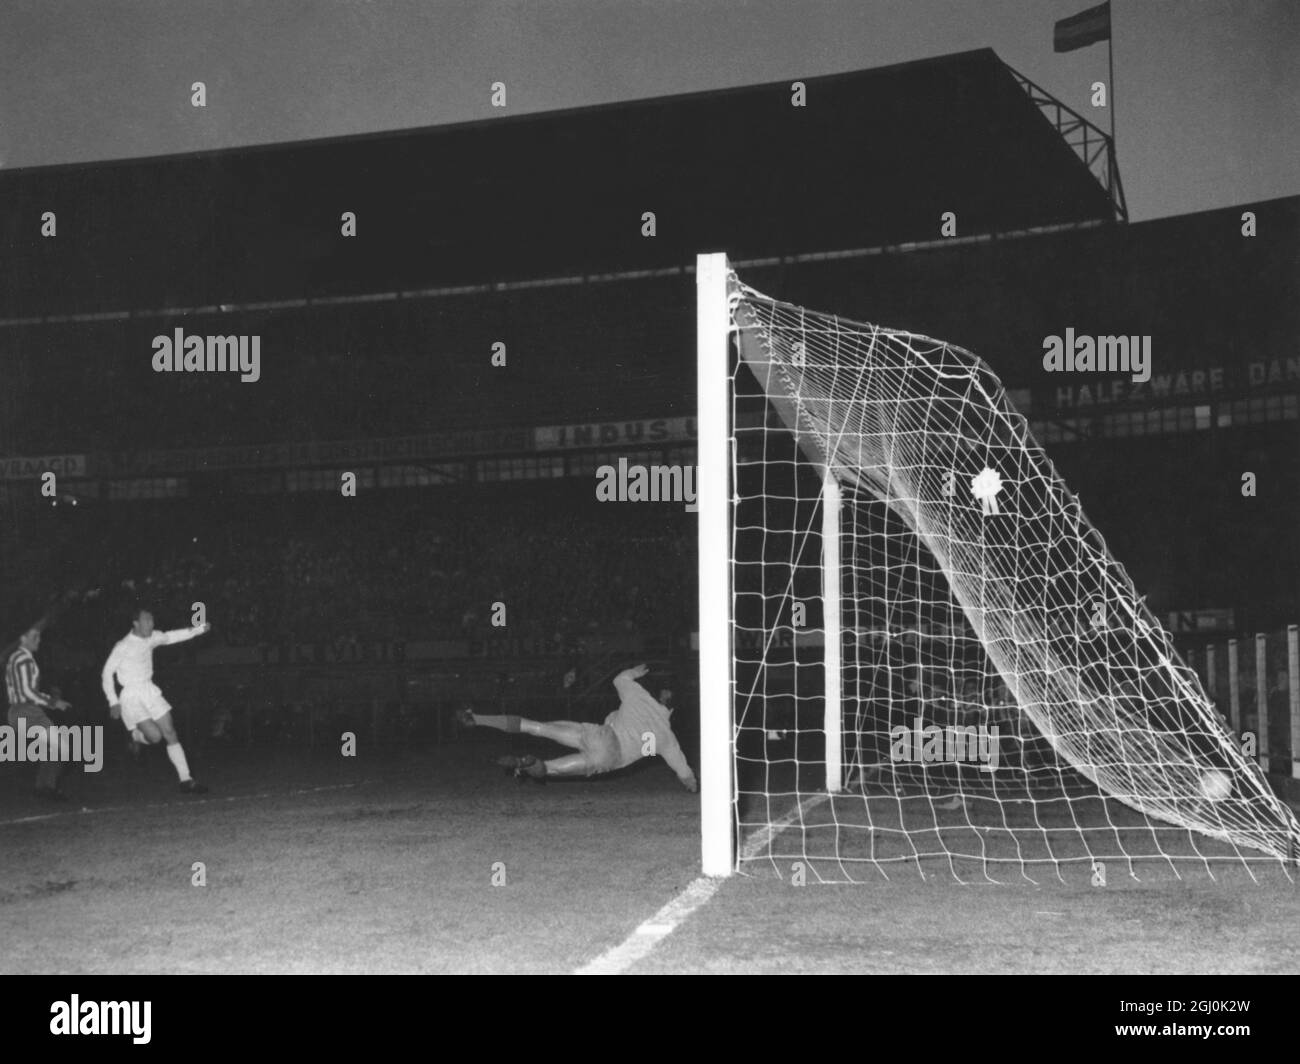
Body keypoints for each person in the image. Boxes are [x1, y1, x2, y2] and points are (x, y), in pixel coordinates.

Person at [458, 664, 697, 790]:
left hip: (600, 735)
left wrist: (635, 671)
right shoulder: (667, 737)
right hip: (611, 757)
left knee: (538, 727)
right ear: (673, 709)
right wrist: (692, 785)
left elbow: (619, 679)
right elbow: (684, 773)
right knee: (550, 770)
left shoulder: (639, 696)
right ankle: (526, 764)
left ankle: (476, 718)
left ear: (662, 694)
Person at [101, 608, 210, 794]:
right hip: (131, 696)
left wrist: (198, 629)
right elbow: (106, 673)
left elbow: (171, 636)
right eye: (147, 620)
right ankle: (135, 736)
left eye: (152, 620)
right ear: (136, 623)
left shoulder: (152, 637)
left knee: (170, 731)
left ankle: (186, 779)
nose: (151, 624)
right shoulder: (123, 646)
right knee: (155, 737)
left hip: (149, 690)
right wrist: (113, 701)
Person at [5, 625, 73, 801]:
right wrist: (53, 702)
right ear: (23, 638)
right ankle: (45, 789)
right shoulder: (23, 659)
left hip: (21, 711)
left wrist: (50, 699)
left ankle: (43, 789)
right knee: (61, 747)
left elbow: (26, 689)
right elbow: (27, 692)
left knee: (57, 747)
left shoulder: (17, 658)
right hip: (26, 712)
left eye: (39, 636)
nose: (39, 640)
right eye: (35, 636)